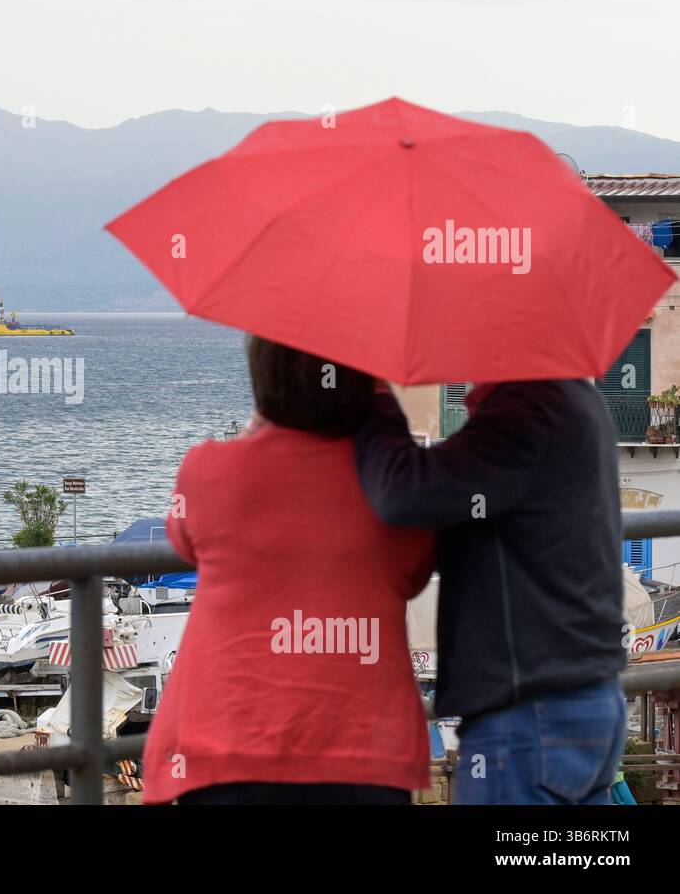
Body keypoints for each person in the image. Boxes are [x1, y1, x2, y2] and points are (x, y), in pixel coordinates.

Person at [142, 336, 435, 805]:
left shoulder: (209, 470)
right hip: (364, 750)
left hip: (226, 745)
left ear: (262, 380)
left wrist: (258, 430)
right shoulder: (395, 494)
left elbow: (183, 539)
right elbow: (415, 572)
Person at [354, 381, 627, 805]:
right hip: (586, 703)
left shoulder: (523, 411)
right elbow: (509, 528)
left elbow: (404, 494)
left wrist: (376, 401)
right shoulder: (574, 400)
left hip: (528, 718)